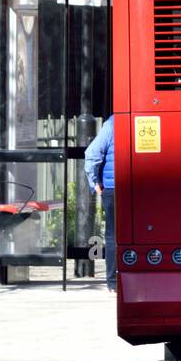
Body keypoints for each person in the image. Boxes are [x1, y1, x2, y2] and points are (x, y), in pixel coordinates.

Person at [84, 115, 116, 291]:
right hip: (139, 188)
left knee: (113, 235)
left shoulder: (112, 124)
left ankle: (113, 282)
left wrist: (94, 182)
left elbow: (92, 153)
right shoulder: (148, 118)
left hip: (112, 187)